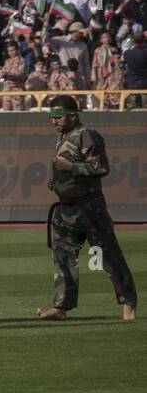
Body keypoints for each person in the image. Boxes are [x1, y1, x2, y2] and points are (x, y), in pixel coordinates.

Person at [37, 95, 137, 322]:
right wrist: (57, 182)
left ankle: (128, 302)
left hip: (90, 209)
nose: (54, 121)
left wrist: (70, 167)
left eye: (59, 116)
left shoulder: (87, 135)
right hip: (66, 210)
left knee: (108, 257)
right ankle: (61, 307)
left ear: (73, 116)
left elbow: (101, 168)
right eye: (52, 117)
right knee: (62, 258)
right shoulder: (64, 137)